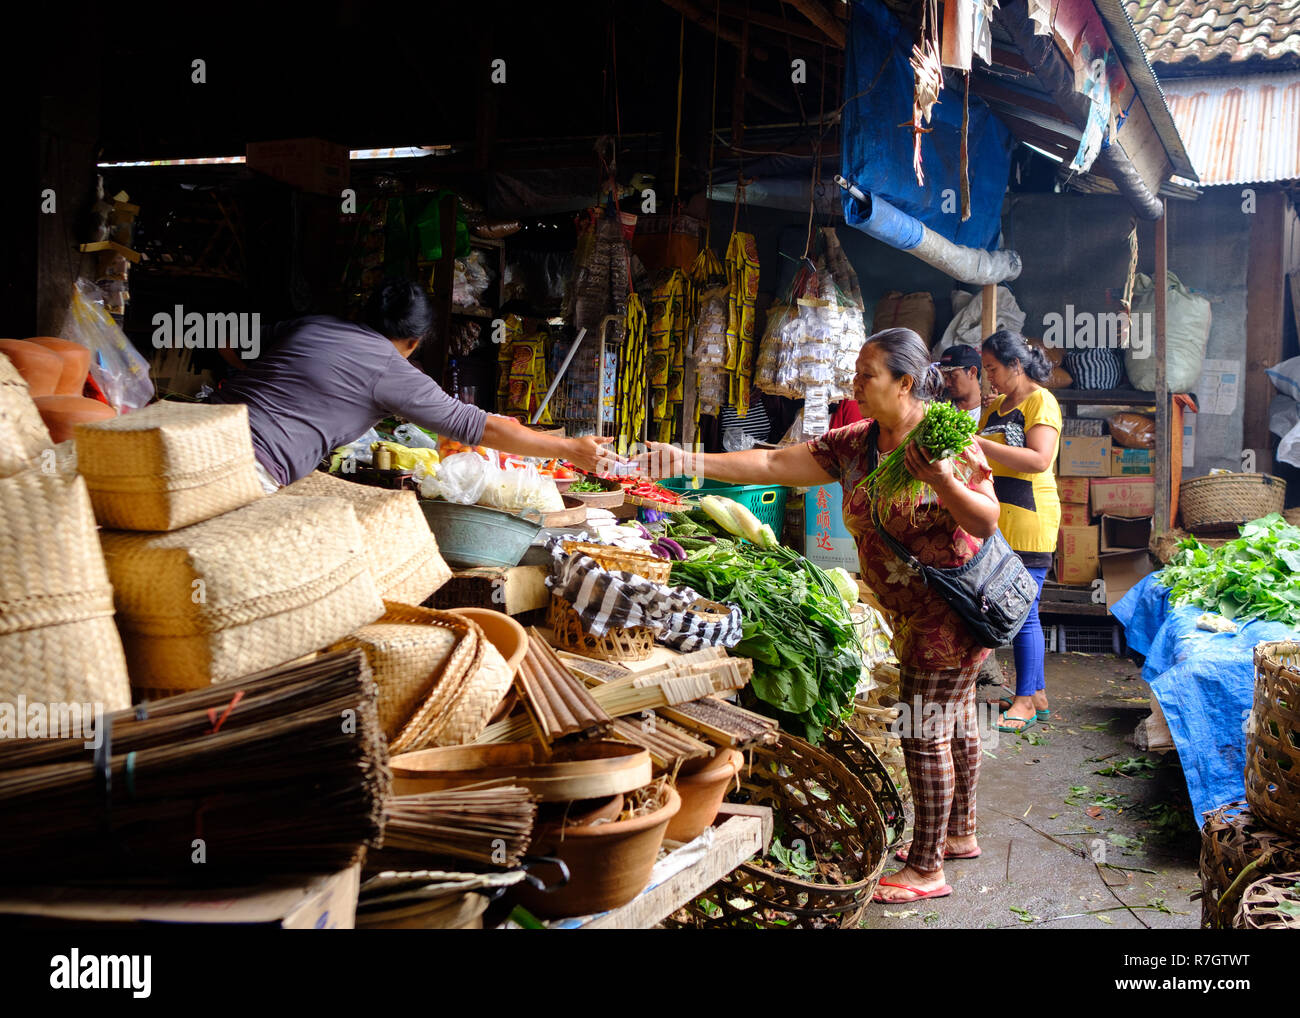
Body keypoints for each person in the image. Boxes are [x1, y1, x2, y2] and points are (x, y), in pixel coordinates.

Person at [634, 327, 1000, 903]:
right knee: (950, 721)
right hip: (910, 608)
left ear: (905, 383)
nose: (854, 384)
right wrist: (688, 460)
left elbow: (984, 520)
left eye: (866, 375)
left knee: (924, 732)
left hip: (949, 606)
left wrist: (945, 481)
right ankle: (958, 835)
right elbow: (774, 461)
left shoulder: (944, 441)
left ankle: (928, 868)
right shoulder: (856, 442)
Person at [206, 279, 617, 490]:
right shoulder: (393, 369)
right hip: (249, 468)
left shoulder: (312, 325)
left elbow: (224, 338)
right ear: (415, 341)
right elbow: (481, 427)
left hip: (195, 433)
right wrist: (568, 448)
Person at [974, 330, 1062, 733]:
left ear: (1016, 365)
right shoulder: (997, 408)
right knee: (1018, 609)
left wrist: (980, 443)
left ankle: (1025, 701)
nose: (988, 377)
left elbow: (1038, 459)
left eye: (993, 369)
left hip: (1030, 518)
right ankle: (1036, 694)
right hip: (1000, 520)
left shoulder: (1040, 401)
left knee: (1023, 612)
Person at [938, 344, 983, 424]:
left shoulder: (991, 410)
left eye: (953, 376)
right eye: (945, 378)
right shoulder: (941, 407)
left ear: (972, 372)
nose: (947, 384)